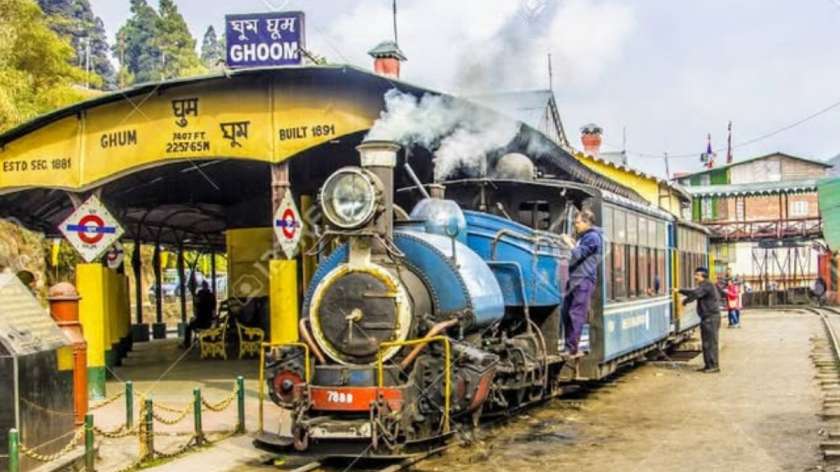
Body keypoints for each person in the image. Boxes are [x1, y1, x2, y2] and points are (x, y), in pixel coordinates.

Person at [560, 208, 603, 358]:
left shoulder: (593, 238)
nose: (575, 225)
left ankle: (571, 347)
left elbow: (578, 254)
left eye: (577, 222)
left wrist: (569, 244)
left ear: (586, 222)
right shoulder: (584, 237)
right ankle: (568, 345)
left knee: (576, 313)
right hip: (575, 279)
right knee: (566, 312)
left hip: (583, 279)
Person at [675, 267, 722, 373]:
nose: (695, 277)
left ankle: (713, 366)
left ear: (702, 276)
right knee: (706, 343)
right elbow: (695, 292)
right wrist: (680, 291)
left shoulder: (707, 285)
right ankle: (708, 365)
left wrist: (684, 302)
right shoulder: (705, 286)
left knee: (710, 343)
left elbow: (695, 294)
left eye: (696, 275)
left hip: (711, 318)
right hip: (708, 318)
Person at [183, 281, 216, 348]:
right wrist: (212, 320)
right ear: (208, 286)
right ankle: (207, 339)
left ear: (202, 286)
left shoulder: (199, 295)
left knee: (188, 327)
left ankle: (187, 344)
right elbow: (214, 310)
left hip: (200, 322)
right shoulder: (212, 296)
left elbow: (196, 309)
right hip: (208, 323)